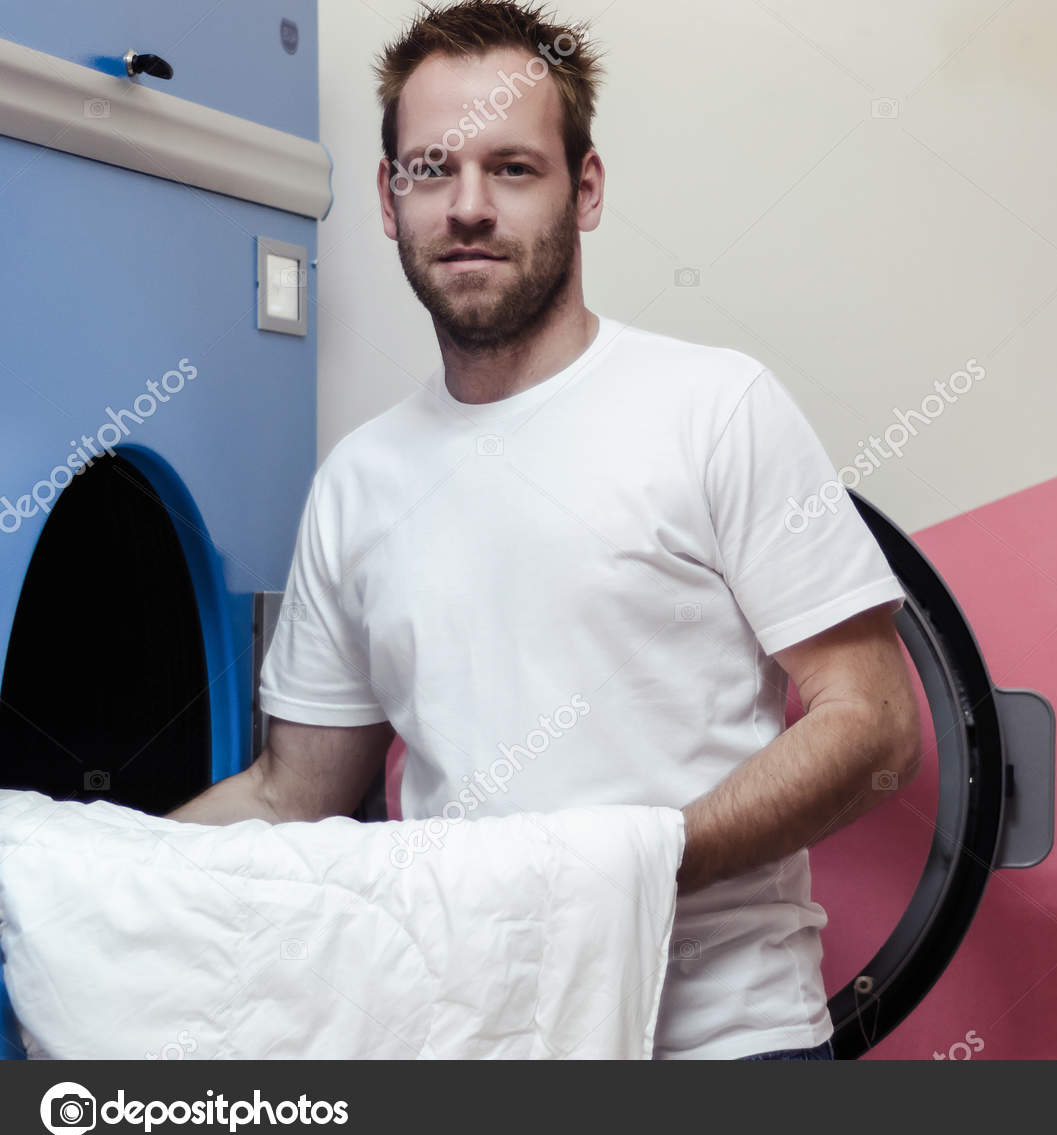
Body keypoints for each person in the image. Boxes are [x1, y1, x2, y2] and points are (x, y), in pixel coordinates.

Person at [166, 0, 921, 1061]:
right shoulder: (359, 481)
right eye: (432, 169)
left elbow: (877, 725)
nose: (468, 205)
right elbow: (295, 794)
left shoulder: (715, 407)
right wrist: (84, 862)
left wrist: (625, 875)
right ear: (390, 199)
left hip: (723, 1045)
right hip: (473, 1041)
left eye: (512, 168)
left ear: (587, 187)